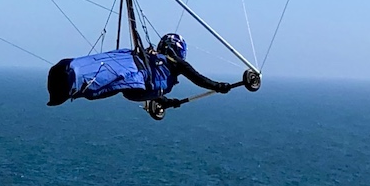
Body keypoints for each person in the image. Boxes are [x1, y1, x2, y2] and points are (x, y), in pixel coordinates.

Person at [46, 33, 255, 119]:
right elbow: (196, 77)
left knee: (109, 82)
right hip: (137, 82)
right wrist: (219, 86)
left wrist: (164, 102)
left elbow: (152, 85)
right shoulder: (172, 61)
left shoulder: (157, 64)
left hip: (138, 83)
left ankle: (70, 84)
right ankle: (70, 86)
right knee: (108, 84)